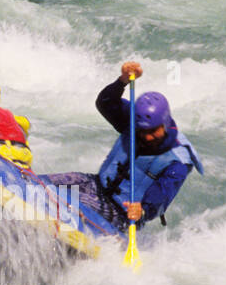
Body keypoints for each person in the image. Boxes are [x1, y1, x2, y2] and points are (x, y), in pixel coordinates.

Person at [39, 61, 203, 228]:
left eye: (154, 131)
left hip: (121, 213)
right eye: (143, 131)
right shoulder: (133, 121)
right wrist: (122, 81)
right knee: (37, 185)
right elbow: (105, 102)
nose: (147, 137)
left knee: (62, 204)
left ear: (166, 124)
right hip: (95, 184)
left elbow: (162, 197)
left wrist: (143, 211)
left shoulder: (178, 161)